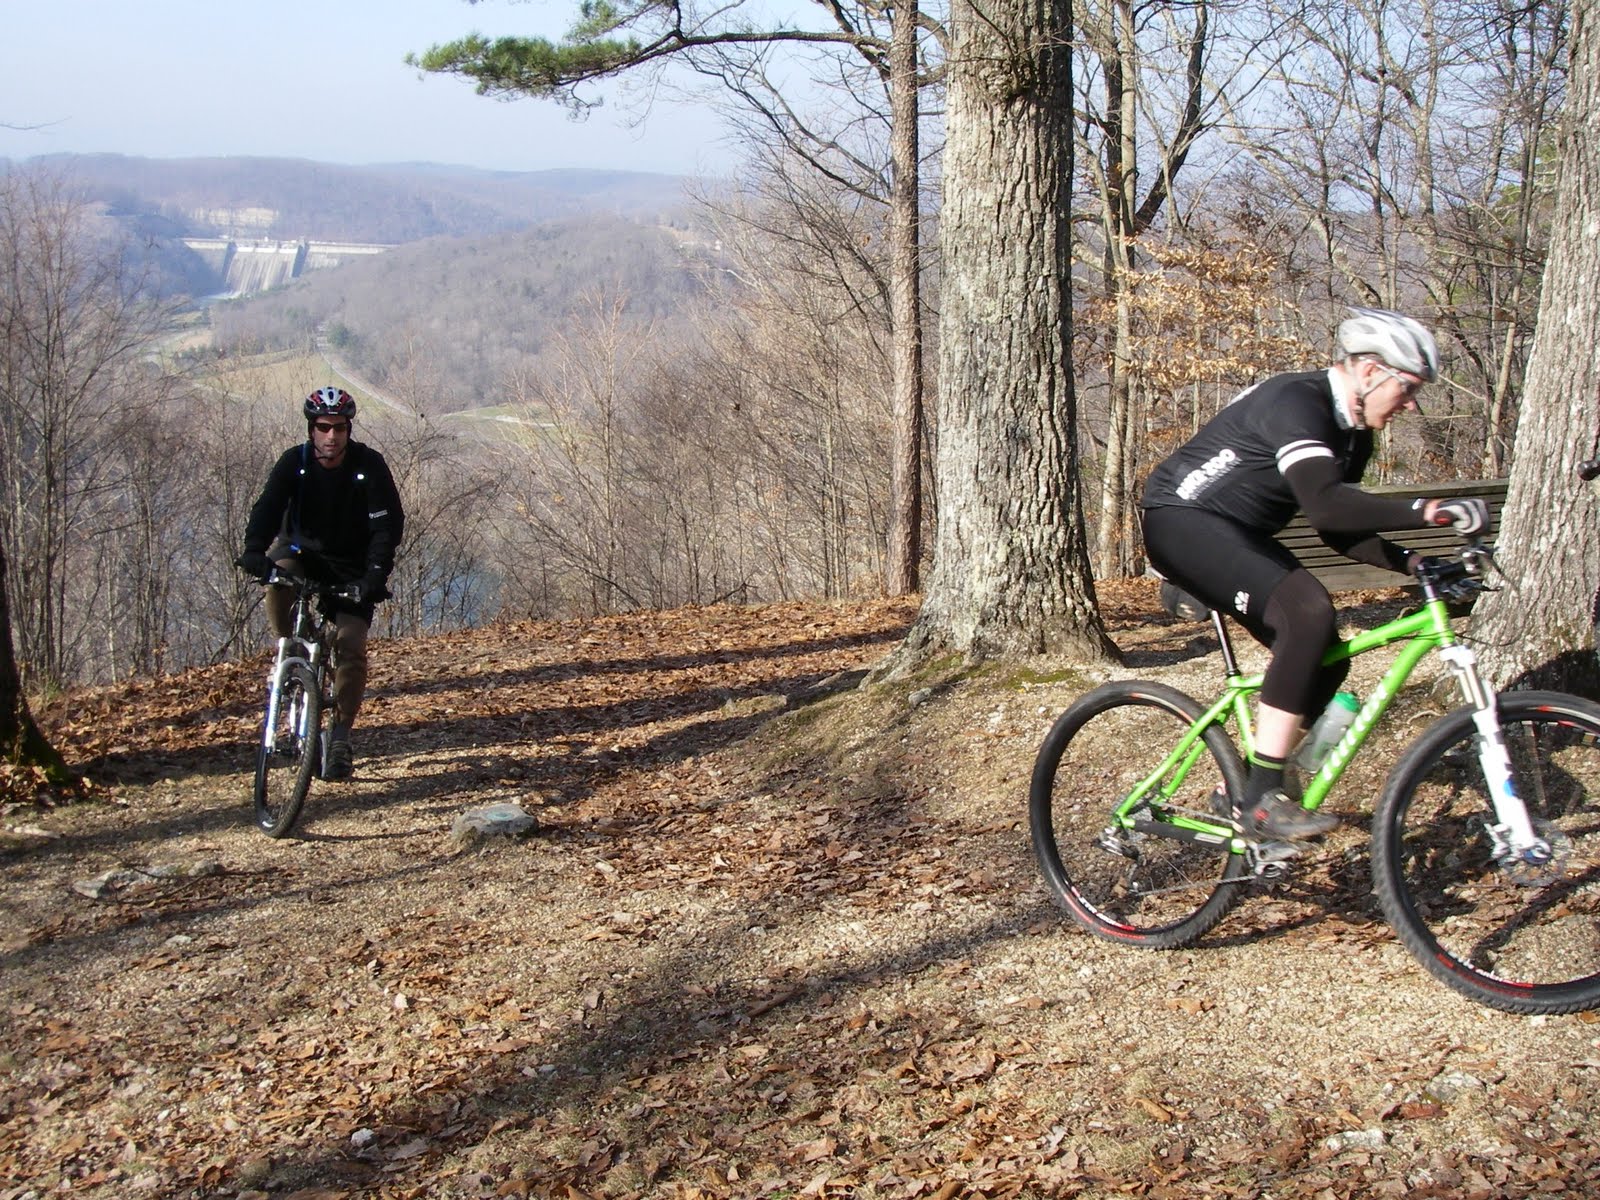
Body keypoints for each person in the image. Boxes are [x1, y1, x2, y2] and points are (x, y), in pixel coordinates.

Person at [1139, 308, 1489, 840]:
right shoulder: (1297, 402)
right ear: (1370, 371)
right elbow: (1327, 507)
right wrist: (1428, 509)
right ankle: (1261, 801)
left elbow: (1339, 531)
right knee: (1306, 612)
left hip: (1241, 536)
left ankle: (1251, 790)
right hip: (1181, 521)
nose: (1412, 403)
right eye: (1409, 387)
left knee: (1325, 661)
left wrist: (1414, 563)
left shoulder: (1355, 435)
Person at [236, 387, 405, 779]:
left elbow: (386, 526)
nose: (332, 436)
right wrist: (253, 550)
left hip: (352, 566)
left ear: (349, 429)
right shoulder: (293, 463)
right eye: (324, 427)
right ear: (312, 429)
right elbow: (267, 508)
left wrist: (375, 576)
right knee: (279, 587)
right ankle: (293, 652)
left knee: (350, 644)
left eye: (340, 428)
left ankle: (341, 735)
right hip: (300, 552)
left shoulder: (369, 465)